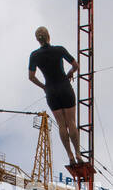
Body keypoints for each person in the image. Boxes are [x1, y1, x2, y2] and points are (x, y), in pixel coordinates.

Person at [28, 26, 83, 169]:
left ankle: (70, 155)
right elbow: (75, 65)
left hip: (51, 91)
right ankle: (78, 153)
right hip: (65, 87)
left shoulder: (34, 56)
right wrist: (70, 73)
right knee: (71, 122)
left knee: (61, 125)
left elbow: (31, 77)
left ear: (37, 40)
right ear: (48, 36)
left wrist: (44, 87)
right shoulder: (59, 50)